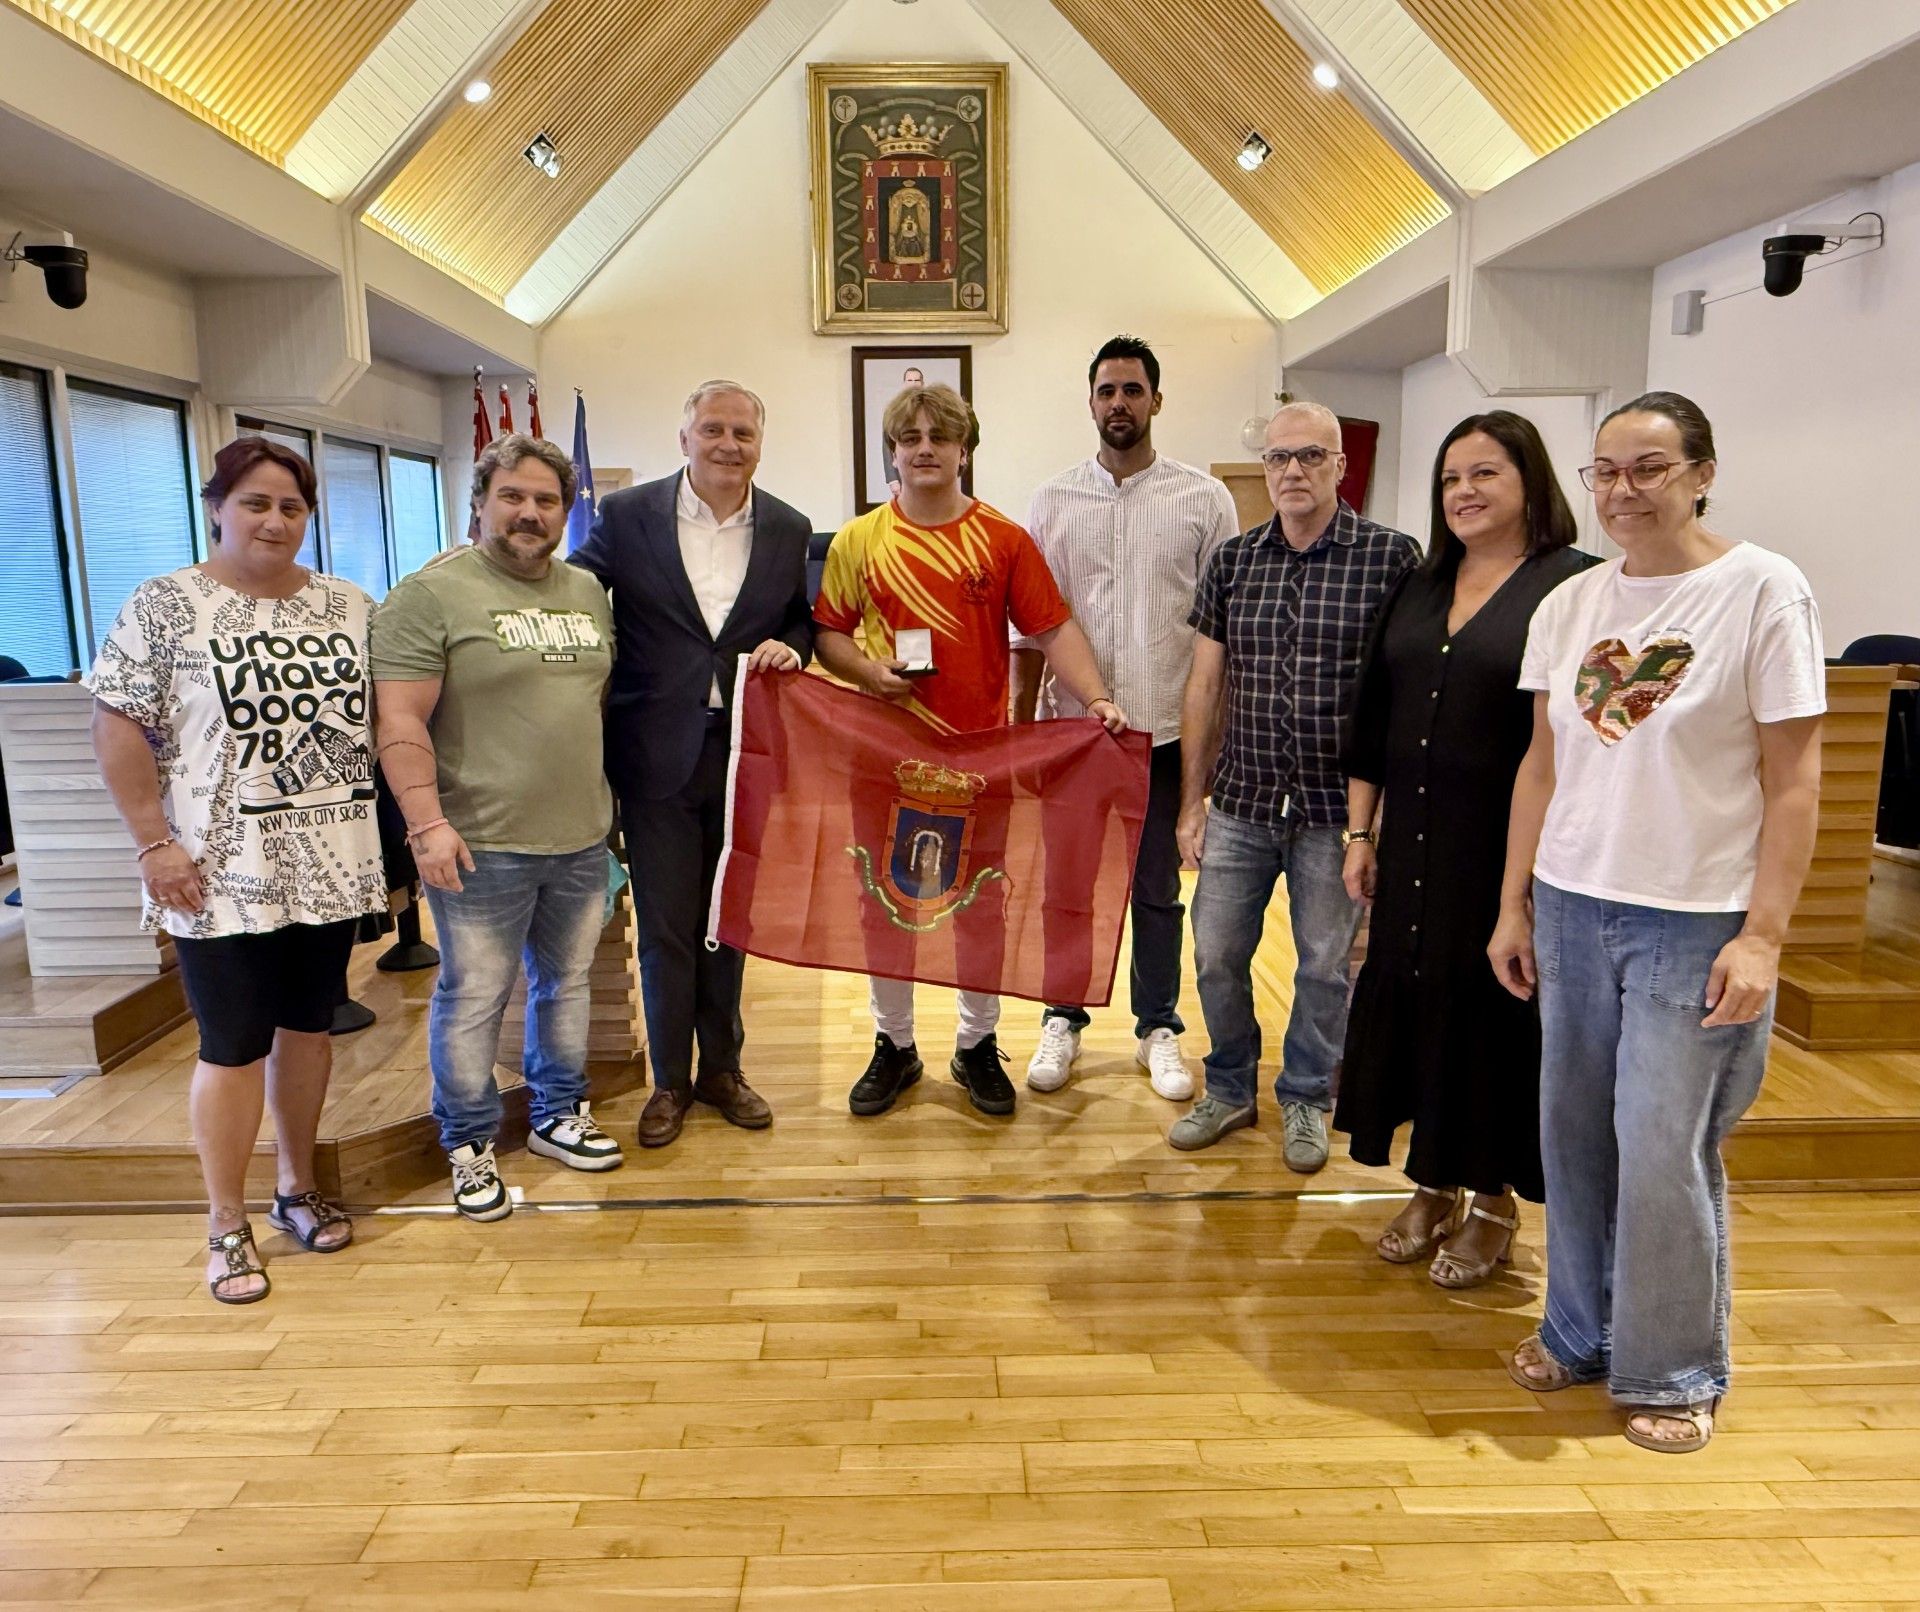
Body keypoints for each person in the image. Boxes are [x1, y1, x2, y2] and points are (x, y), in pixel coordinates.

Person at [1491, 391, 1823, 1453]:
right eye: (1606, 472)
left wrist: (1763, 933)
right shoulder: (1572, 604)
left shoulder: (1763, 590)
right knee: (1573, 1137)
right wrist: (1515, 901)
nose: (1623, 491)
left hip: (1693, 919)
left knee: (1663, 1144)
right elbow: (1543, 764)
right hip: (1576, 905)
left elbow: (1795, 779)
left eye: (1648, 468)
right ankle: (1578, 1329)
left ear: (1701, 471)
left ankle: (1673, 1365)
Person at [89, 437, 385, 1303]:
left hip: (329, 860)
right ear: (217, 506)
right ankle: (226, 1223)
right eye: (255, 503)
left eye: (291, 507)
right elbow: (117, 728)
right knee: (230, 1044)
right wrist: (153, 843)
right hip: (212, 872)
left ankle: (297, 1185)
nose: (273, 520)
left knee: (308, 1027)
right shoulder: (165, 605)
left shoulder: (349, 605)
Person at [812, 382, 1127, 1118]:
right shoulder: (858, 540)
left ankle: (976, 1044)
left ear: (963, 450)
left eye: (940, 436)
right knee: (882, 905)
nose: (925, 448)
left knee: (979, 907)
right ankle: (894, 1044)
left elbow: (1054, 629)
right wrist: (867, 671)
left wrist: (1096, 697)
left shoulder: (1004, 539)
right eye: (910, 437)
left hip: (976, 764)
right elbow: (828, 633)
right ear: (892, 451)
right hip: (882, 762)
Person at [1334, 411, 1595, 1285]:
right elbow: (1374, 717)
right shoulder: (1421, 583)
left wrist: (1517, 890)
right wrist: (1359, 831)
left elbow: (1566, 743)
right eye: (1451, 479)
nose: (1465, 493)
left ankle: (1494, 1199)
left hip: (1505, 851)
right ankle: (1433, 1179)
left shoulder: (1573, 587)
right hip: (1408, 842)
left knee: (1491, 1018)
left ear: (1531, 482)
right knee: (1419, 1006)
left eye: (1485, 474)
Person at [372, 433, 622, 1221]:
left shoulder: (586, 592)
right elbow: (400, 720)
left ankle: (556, 1113)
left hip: (581, 838)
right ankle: (470, 1144)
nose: (529, 512)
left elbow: (591, 706)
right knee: (475, 994)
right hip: (481, 842)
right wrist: (425, 824)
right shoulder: (431, 595)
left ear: (566, 511)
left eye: (546, 500)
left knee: (567, 984)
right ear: (479, 502)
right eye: (512, 496)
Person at [1172, 402, 1417, 1164]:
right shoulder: (1235, 560)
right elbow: (1205, 685)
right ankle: (1229, 1088)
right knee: (1214, 953)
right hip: (1242, 801)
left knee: (1319, 966)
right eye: (1279, 459)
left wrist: (1370, 828)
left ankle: (1308, 1096)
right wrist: (1191, 801)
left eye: (1311, 456)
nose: (1293, 472)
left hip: (1331, 813)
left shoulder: (1392, 559)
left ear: (1341, 467)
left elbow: (1401, 693)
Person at [572, 381, 813, 1148]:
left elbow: (801, 624)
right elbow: (570, 588)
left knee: (729, 922)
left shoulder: (788, 526)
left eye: (743, 431)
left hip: (746, 755)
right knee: (669, 928)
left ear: (760, 443)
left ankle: (725, 1070)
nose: (728, 444)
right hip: (652, 754)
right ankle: (670, 1082)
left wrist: (793, 649)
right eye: (712, 429)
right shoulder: (627, 515)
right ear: (684, 438)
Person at [1012, 334, 1237, 1100]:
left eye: (1132, 390)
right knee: (1067, 887)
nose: (1119, 404)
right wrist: (1022, 736)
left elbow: (1222, 637)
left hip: (1168, 736)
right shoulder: (1051, 500)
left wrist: (1213, 759)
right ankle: (1062, 1017)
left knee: (1156, 892)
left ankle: (1158, 1028)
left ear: (1156, 401)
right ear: (1090, 401)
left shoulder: (1205, 500)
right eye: (1106, 390)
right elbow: (1031, 628)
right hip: (1073, 735)